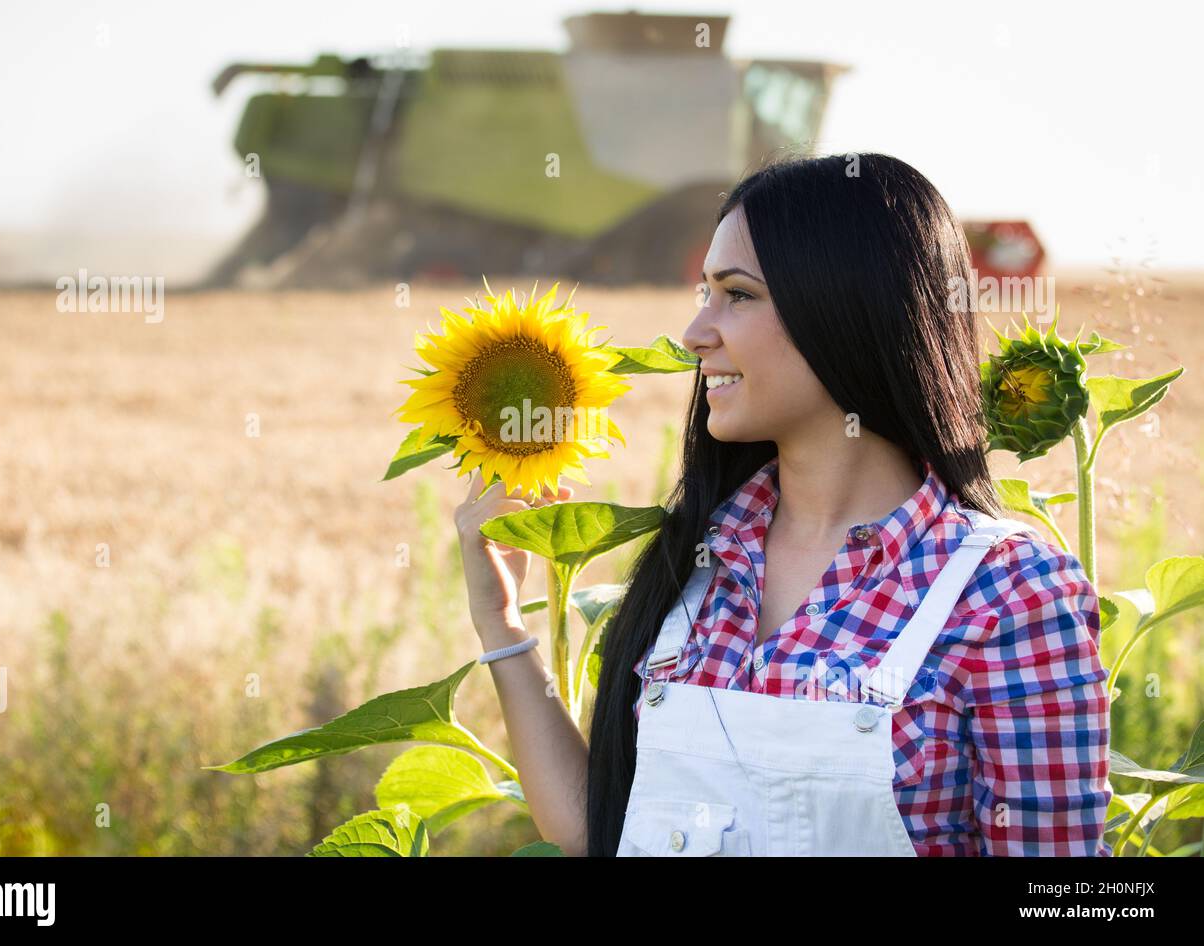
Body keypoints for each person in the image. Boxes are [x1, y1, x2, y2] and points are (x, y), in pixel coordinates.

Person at [454, 152, 1113, 857]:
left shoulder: (1008, 593)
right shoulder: (696, 565)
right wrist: (500, 624)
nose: (696, 334)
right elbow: (601, 828)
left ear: (846, 306)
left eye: (736, 295)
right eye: (703, 294)